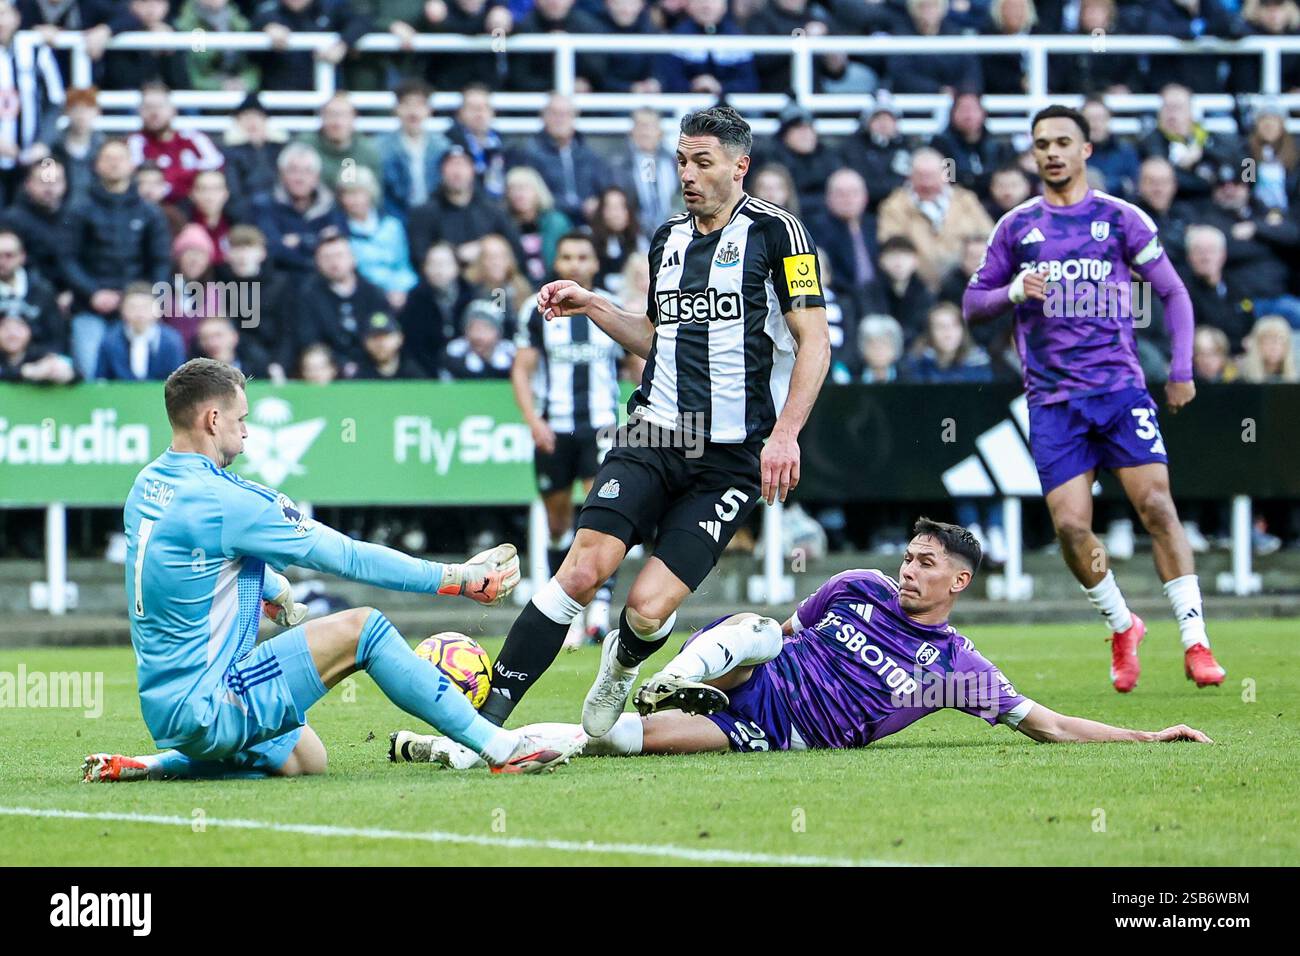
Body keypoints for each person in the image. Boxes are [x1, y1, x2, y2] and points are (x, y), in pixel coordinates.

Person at [478, 106, 830, 740]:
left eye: (703, 162)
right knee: (583, 569)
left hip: (731, 455)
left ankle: (620, 665)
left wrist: (785, 435)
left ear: (739, 166)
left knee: (646, 608)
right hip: (654, 432)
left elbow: (816, 340)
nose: (688, 175)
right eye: (681, 161)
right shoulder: (666, 238)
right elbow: (654, 338)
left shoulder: (781, 235)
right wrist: (592, 306)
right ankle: (481, 724)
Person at [82, 357, 577, 782]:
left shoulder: (148, 485)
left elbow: (188, 566)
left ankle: (158, 764)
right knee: (364, 629)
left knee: (305, 756)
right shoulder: (227, 500)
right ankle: (499, 748)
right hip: (212, 705)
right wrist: (457, 580)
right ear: (213, 419)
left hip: (165, 708)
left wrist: (272, 588)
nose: (247, 431)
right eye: (241, 418)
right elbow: (350, 557)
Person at [392, 519, 1212, 767]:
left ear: (958, 584)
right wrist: (734, 660)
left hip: (770, 728)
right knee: (758, 628)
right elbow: (770, 636)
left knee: (605, 741)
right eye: (910, 556)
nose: (909, 571)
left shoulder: (957, 669)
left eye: (927, 565)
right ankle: (661, 675)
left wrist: (1146, 734)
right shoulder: (854, 586)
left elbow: (1051, 724)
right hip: (743, 670)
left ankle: (451, 750)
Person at [963, 103, 1227, 693]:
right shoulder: (1016, 228)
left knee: (1157, 507)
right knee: (1071, 530)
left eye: (1062, 142)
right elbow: (972, 304)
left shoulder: (1120, 218)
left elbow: (1174, 293)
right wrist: (1010, 290)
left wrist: (1181, 368)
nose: (1051, 152)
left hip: (1119, 390)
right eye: (1041, 144)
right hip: (1053, 401)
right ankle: (1122, 623)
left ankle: (1196, 641)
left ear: (1085, 150)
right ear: (1033, 156)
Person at [511, 231, 624, 647]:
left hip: (600, 427)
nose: (575, 264)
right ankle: (566, 609)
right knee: (559, 523)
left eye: (583, 256)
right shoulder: (535, 309)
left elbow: (636, 357)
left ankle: (598, 608)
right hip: (555, 429)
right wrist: (532, 421)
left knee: (600, 516)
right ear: (557, 263)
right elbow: (522, 369)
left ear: (594, 264)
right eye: (567, 256)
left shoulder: (612, 303)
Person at [94, 282, 187, 381]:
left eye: (146, 306)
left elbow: (179, 381)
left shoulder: (172, 341)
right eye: (132, 307)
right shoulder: (110, 341)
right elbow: (100, 380)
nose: (139, 312)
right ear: (122, 310)